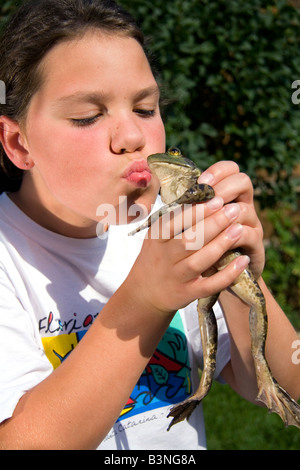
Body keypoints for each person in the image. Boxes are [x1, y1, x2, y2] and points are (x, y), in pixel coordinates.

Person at [0, 0, 298, 451]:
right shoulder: (8, 259)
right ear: (18, 144)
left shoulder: (171, 231)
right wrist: (143, 299)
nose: (133, 137)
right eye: (88, 116)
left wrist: (235, 271)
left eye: (145, 108)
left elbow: (283, 384)